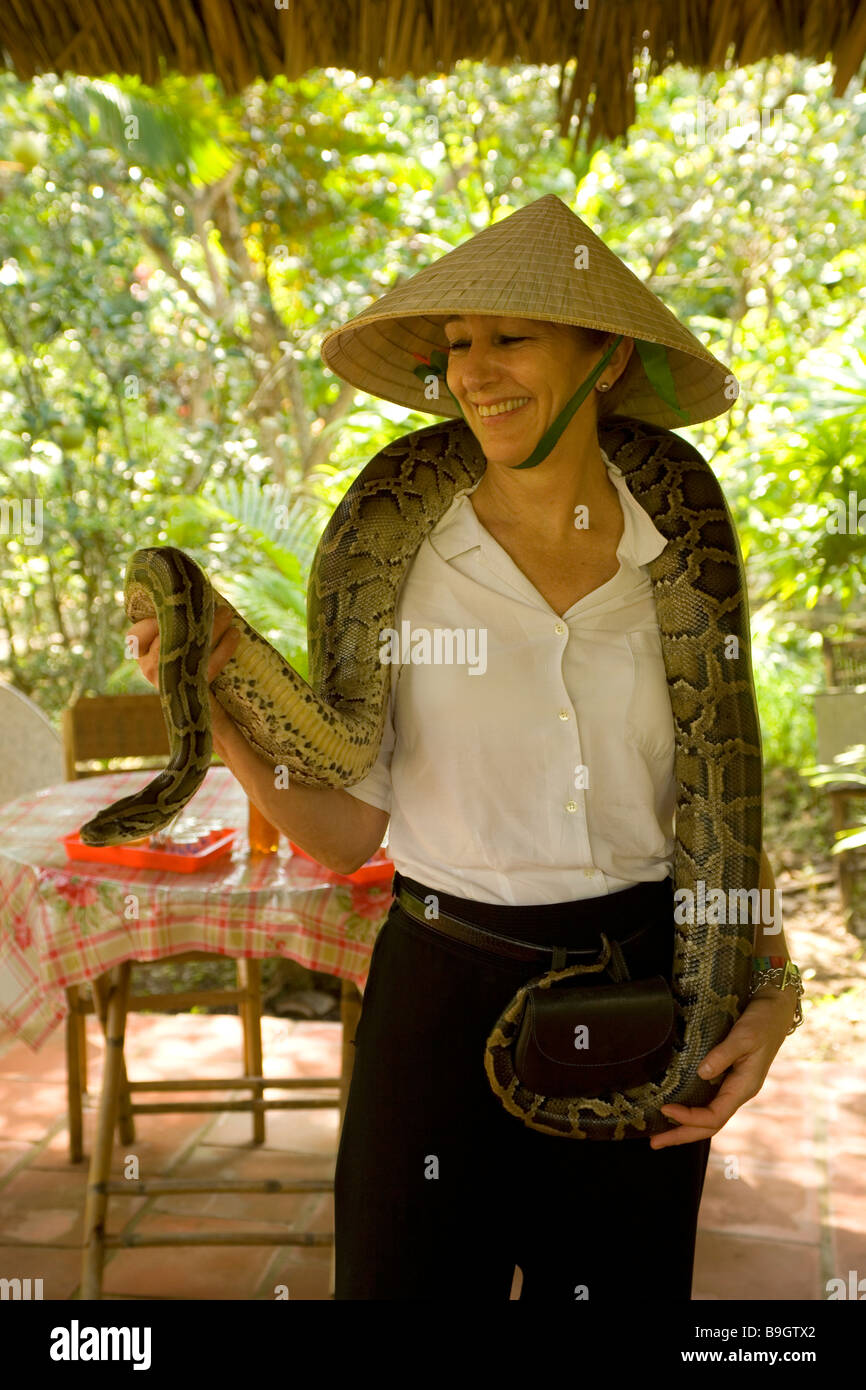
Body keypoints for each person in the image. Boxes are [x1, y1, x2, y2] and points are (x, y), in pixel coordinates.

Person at [130, 195, 803, 1302]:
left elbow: (714, 796)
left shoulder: (676, 537)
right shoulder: (394, 549)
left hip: (640, 997)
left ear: (605, 355)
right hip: (435, 996)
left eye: (510, 337)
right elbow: (346, 831)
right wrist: (215, 698)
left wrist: (770, 988)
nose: (475, 372)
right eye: (455, 346)